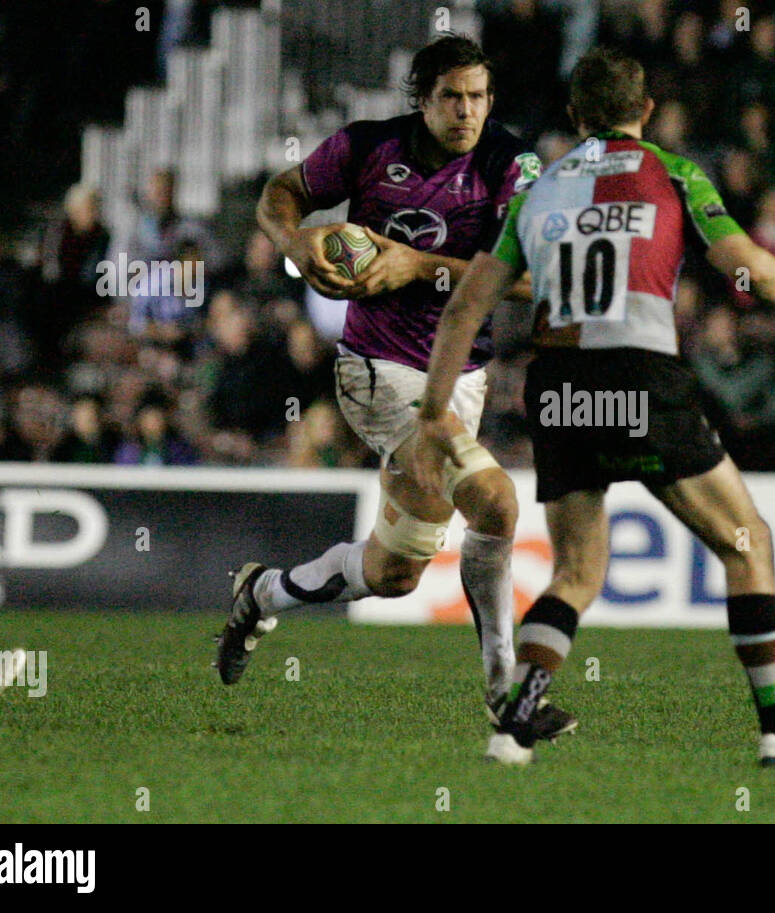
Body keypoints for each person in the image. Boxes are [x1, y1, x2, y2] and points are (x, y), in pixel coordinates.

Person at [410, 47, 775, 769]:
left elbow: (468, 305)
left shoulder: (537, 190)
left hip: (558, 384)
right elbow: (741, 259)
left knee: (575, 574)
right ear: (646, 112)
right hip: (640, 375)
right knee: (746, 540)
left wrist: (435, 412)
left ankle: (513, 725)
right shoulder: (675, 173)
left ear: (575, 116)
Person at [216, 35, 574, 740]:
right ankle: (507, 694)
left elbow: (538, 276)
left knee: (392, 574)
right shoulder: (367, 148)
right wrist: (296, 246)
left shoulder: (512, 163)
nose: (466, 110)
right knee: (497, 501)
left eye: (477, 96)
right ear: (421, 98)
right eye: (450, 96)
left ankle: (261, 592)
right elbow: (280, 195)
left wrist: (418, 266)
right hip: (376, 374)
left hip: (459, 379)